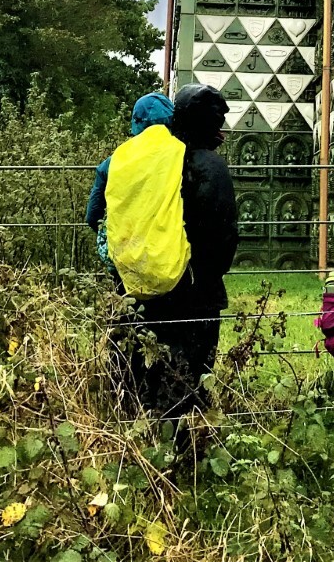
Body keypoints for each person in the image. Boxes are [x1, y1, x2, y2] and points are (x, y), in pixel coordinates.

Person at [106, 85, 238, 419]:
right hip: (195, 291)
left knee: (137, 380)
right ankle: (183, 454)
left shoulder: (148, 159)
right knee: (187, 383)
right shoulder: (209, 166)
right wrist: (207, 276)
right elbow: (223, 235)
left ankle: (130, 446)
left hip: (137, 285)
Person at [86, 92, 176, 279]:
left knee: (129, 307)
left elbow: (93, 215)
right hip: (168, 262)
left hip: (125, 260)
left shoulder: (114, 162)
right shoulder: (180, 158)